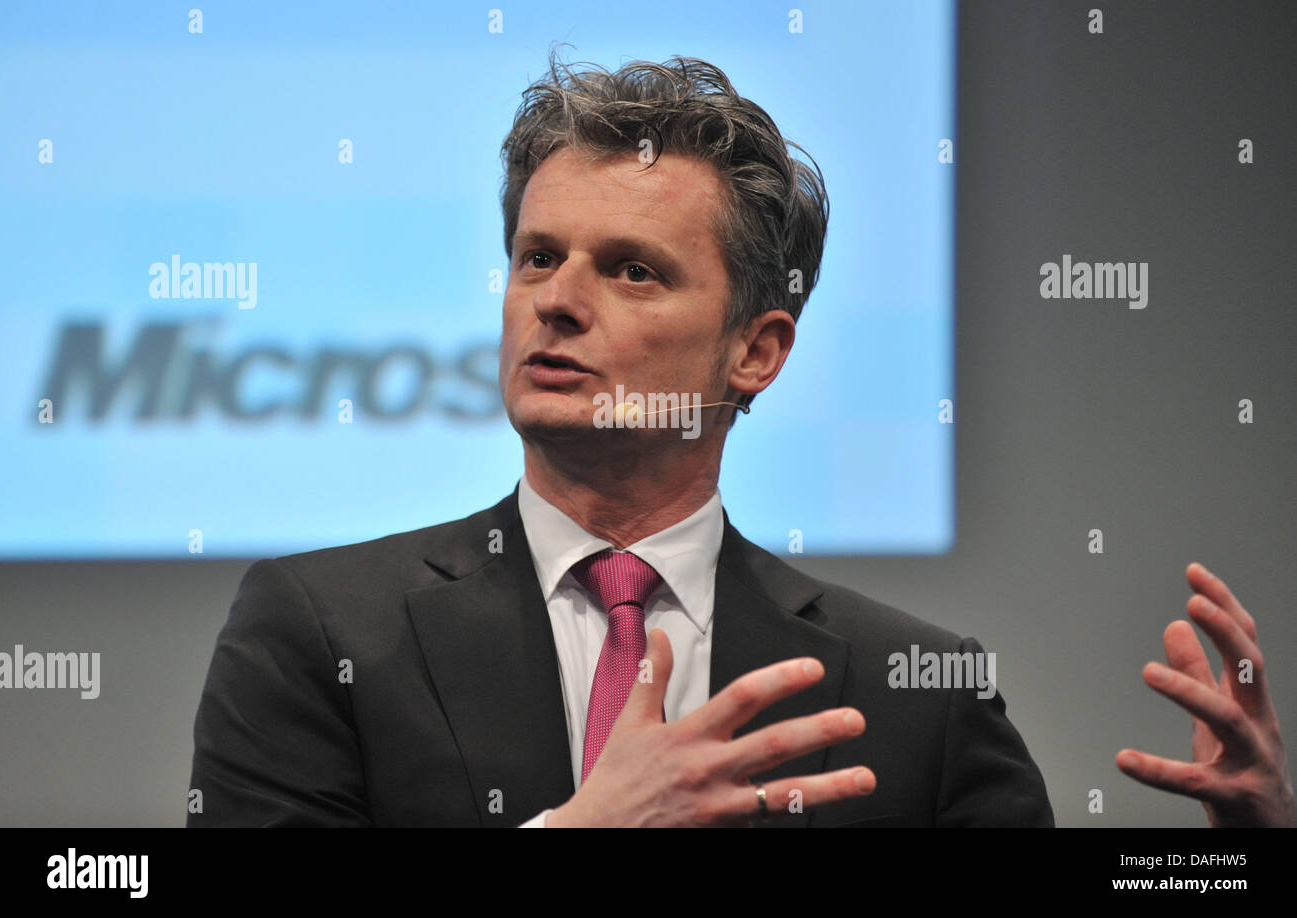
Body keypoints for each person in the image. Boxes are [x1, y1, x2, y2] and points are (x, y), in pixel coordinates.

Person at [187, 51, 1295, 828]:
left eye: (630, 268)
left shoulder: (920, 693)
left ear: (755, 351)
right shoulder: (321, 633)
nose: (556, 302)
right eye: (536, 257)